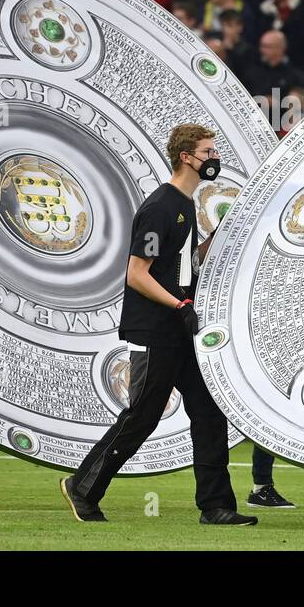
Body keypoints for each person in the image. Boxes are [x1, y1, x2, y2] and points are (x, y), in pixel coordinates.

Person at [60, 124, 257, 526]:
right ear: (186, 157)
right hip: (155, 328)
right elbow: (137, 274)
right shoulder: (161, 207)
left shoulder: (184, 204)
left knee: (208, 412)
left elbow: (184, 264)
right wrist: (179, 303)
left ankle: (216, 506)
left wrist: (220, 236)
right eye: (208, 151)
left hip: (178, 329)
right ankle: (82, 487)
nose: (215, 158)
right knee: (143, 416)